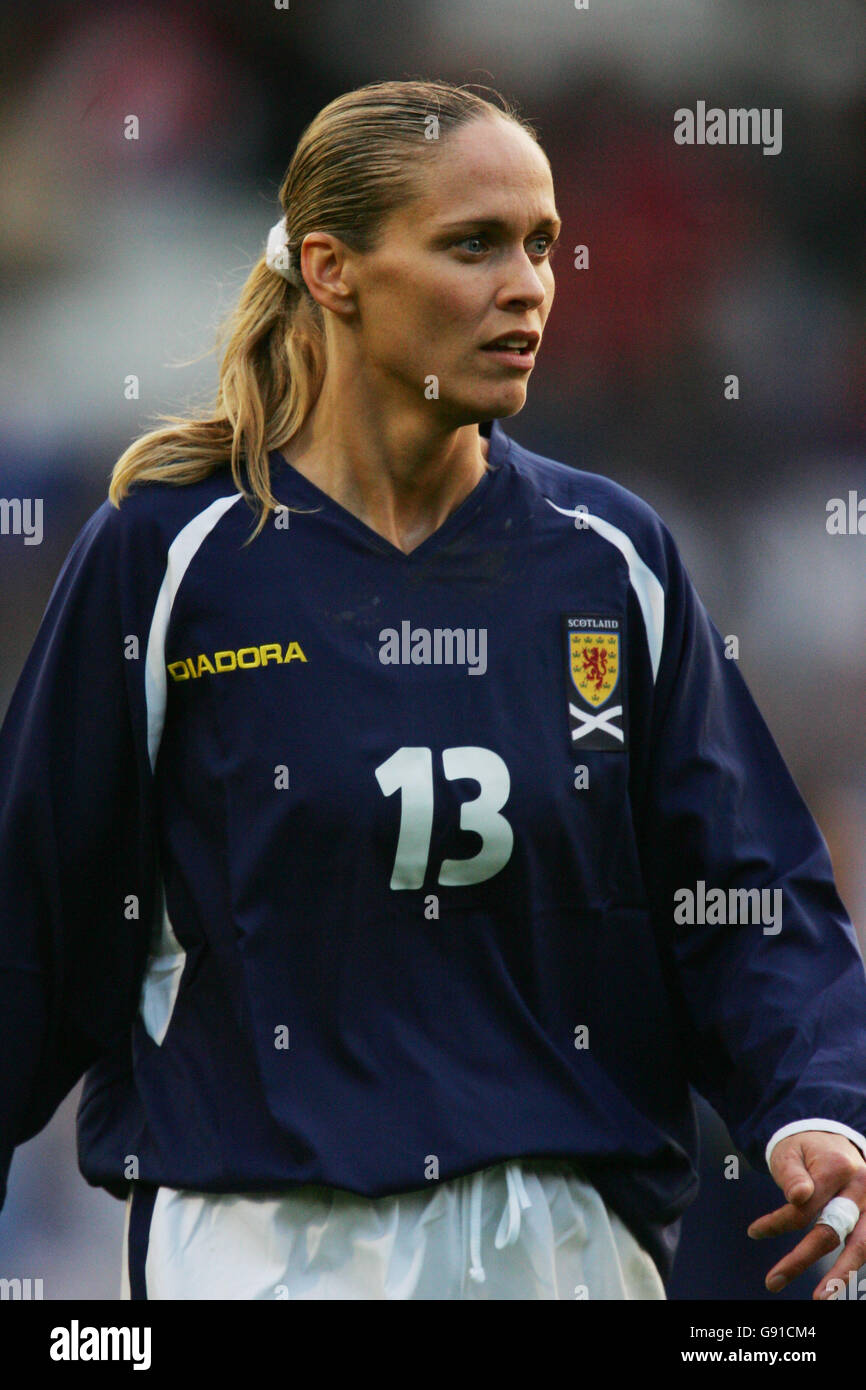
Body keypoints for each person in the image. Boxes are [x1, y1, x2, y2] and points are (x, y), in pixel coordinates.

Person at [1, 78, 865, 1302]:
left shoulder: (610, 554)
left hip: (566, 1243)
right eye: (472, 245)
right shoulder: (168, 560)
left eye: (539, 245)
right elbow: (30, 918)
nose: (525, 285)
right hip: (258, 1242)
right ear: (333, 269)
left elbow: (738, 888)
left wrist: (815, 1104)